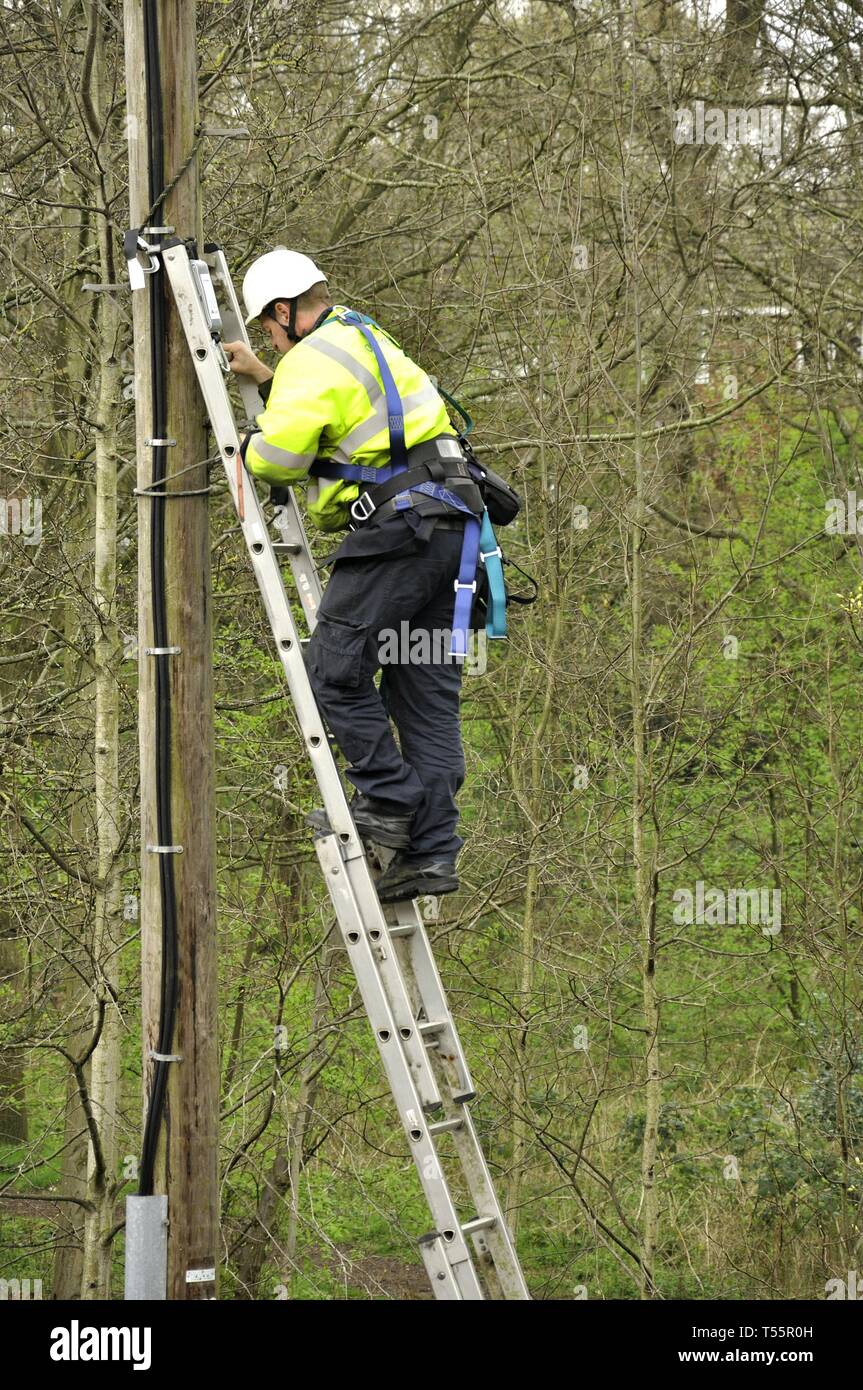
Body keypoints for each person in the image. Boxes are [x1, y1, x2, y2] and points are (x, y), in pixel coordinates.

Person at [223, 248, 485, 901]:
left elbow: (279, 457)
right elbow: (359, 415)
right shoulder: (364, 334)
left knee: (332, 671)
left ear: (284, 312)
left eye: (267, 326)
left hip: (401, 532)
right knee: (424, 699)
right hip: (455, 531)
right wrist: (274, 378)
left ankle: (389, 802)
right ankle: (429, 854)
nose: (266, 336)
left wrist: (246, 444)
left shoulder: (310, 360)